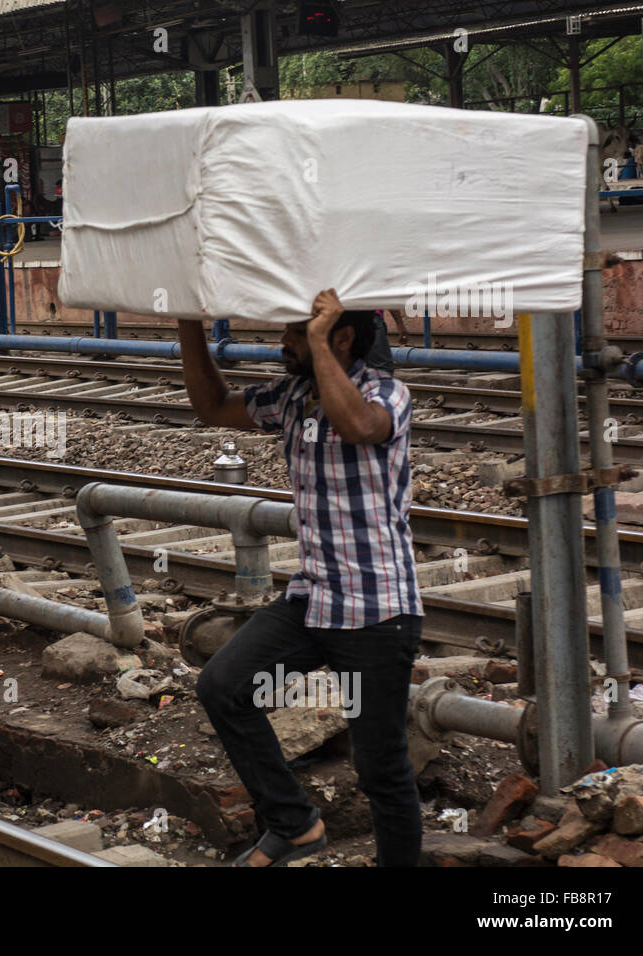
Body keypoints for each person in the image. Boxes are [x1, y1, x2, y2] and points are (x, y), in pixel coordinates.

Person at [180, 290, 422, 868]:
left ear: (339, 337)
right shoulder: (292, 396)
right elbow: (212, 406)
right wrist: (187, 322)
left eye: (292, 333)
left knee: (381, 768)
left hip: (377, 608)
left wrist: (316, 343)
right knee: (224, 686)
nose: (280, 344)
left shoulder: (386, 393)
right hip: (314, 600)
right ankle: (293, 823)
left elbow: (359, 425)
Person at [364, 307, 411, 374]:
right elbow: (390, 302)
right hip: (371, 317)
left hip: (349, 317)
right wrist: (400, 325)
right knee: (383, 368)